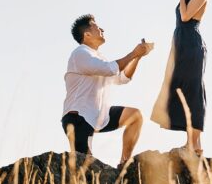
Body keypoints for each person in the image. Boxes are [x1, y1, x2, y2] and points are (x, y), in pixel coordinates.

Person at [63, 14, 153, 167]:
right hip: (78, 118)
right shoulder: (80, 53)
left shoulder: (99, 57)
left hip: (98, 115)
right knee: (85, 167)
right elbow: (110, 69)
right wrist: (133, 53)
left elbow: (122, 78)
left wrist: (137, 58)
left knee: (135, 116)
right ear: (87, 34)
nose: (102, 29)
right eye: (97, 27)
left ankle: (124, 164)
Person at [150, 0, 209, 154]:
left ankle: (195, 144)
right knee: (178, 87)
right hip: (180, 44)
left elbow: (185, 17)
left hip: (192, 43)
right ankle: (191, 142)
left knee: (193, 89)